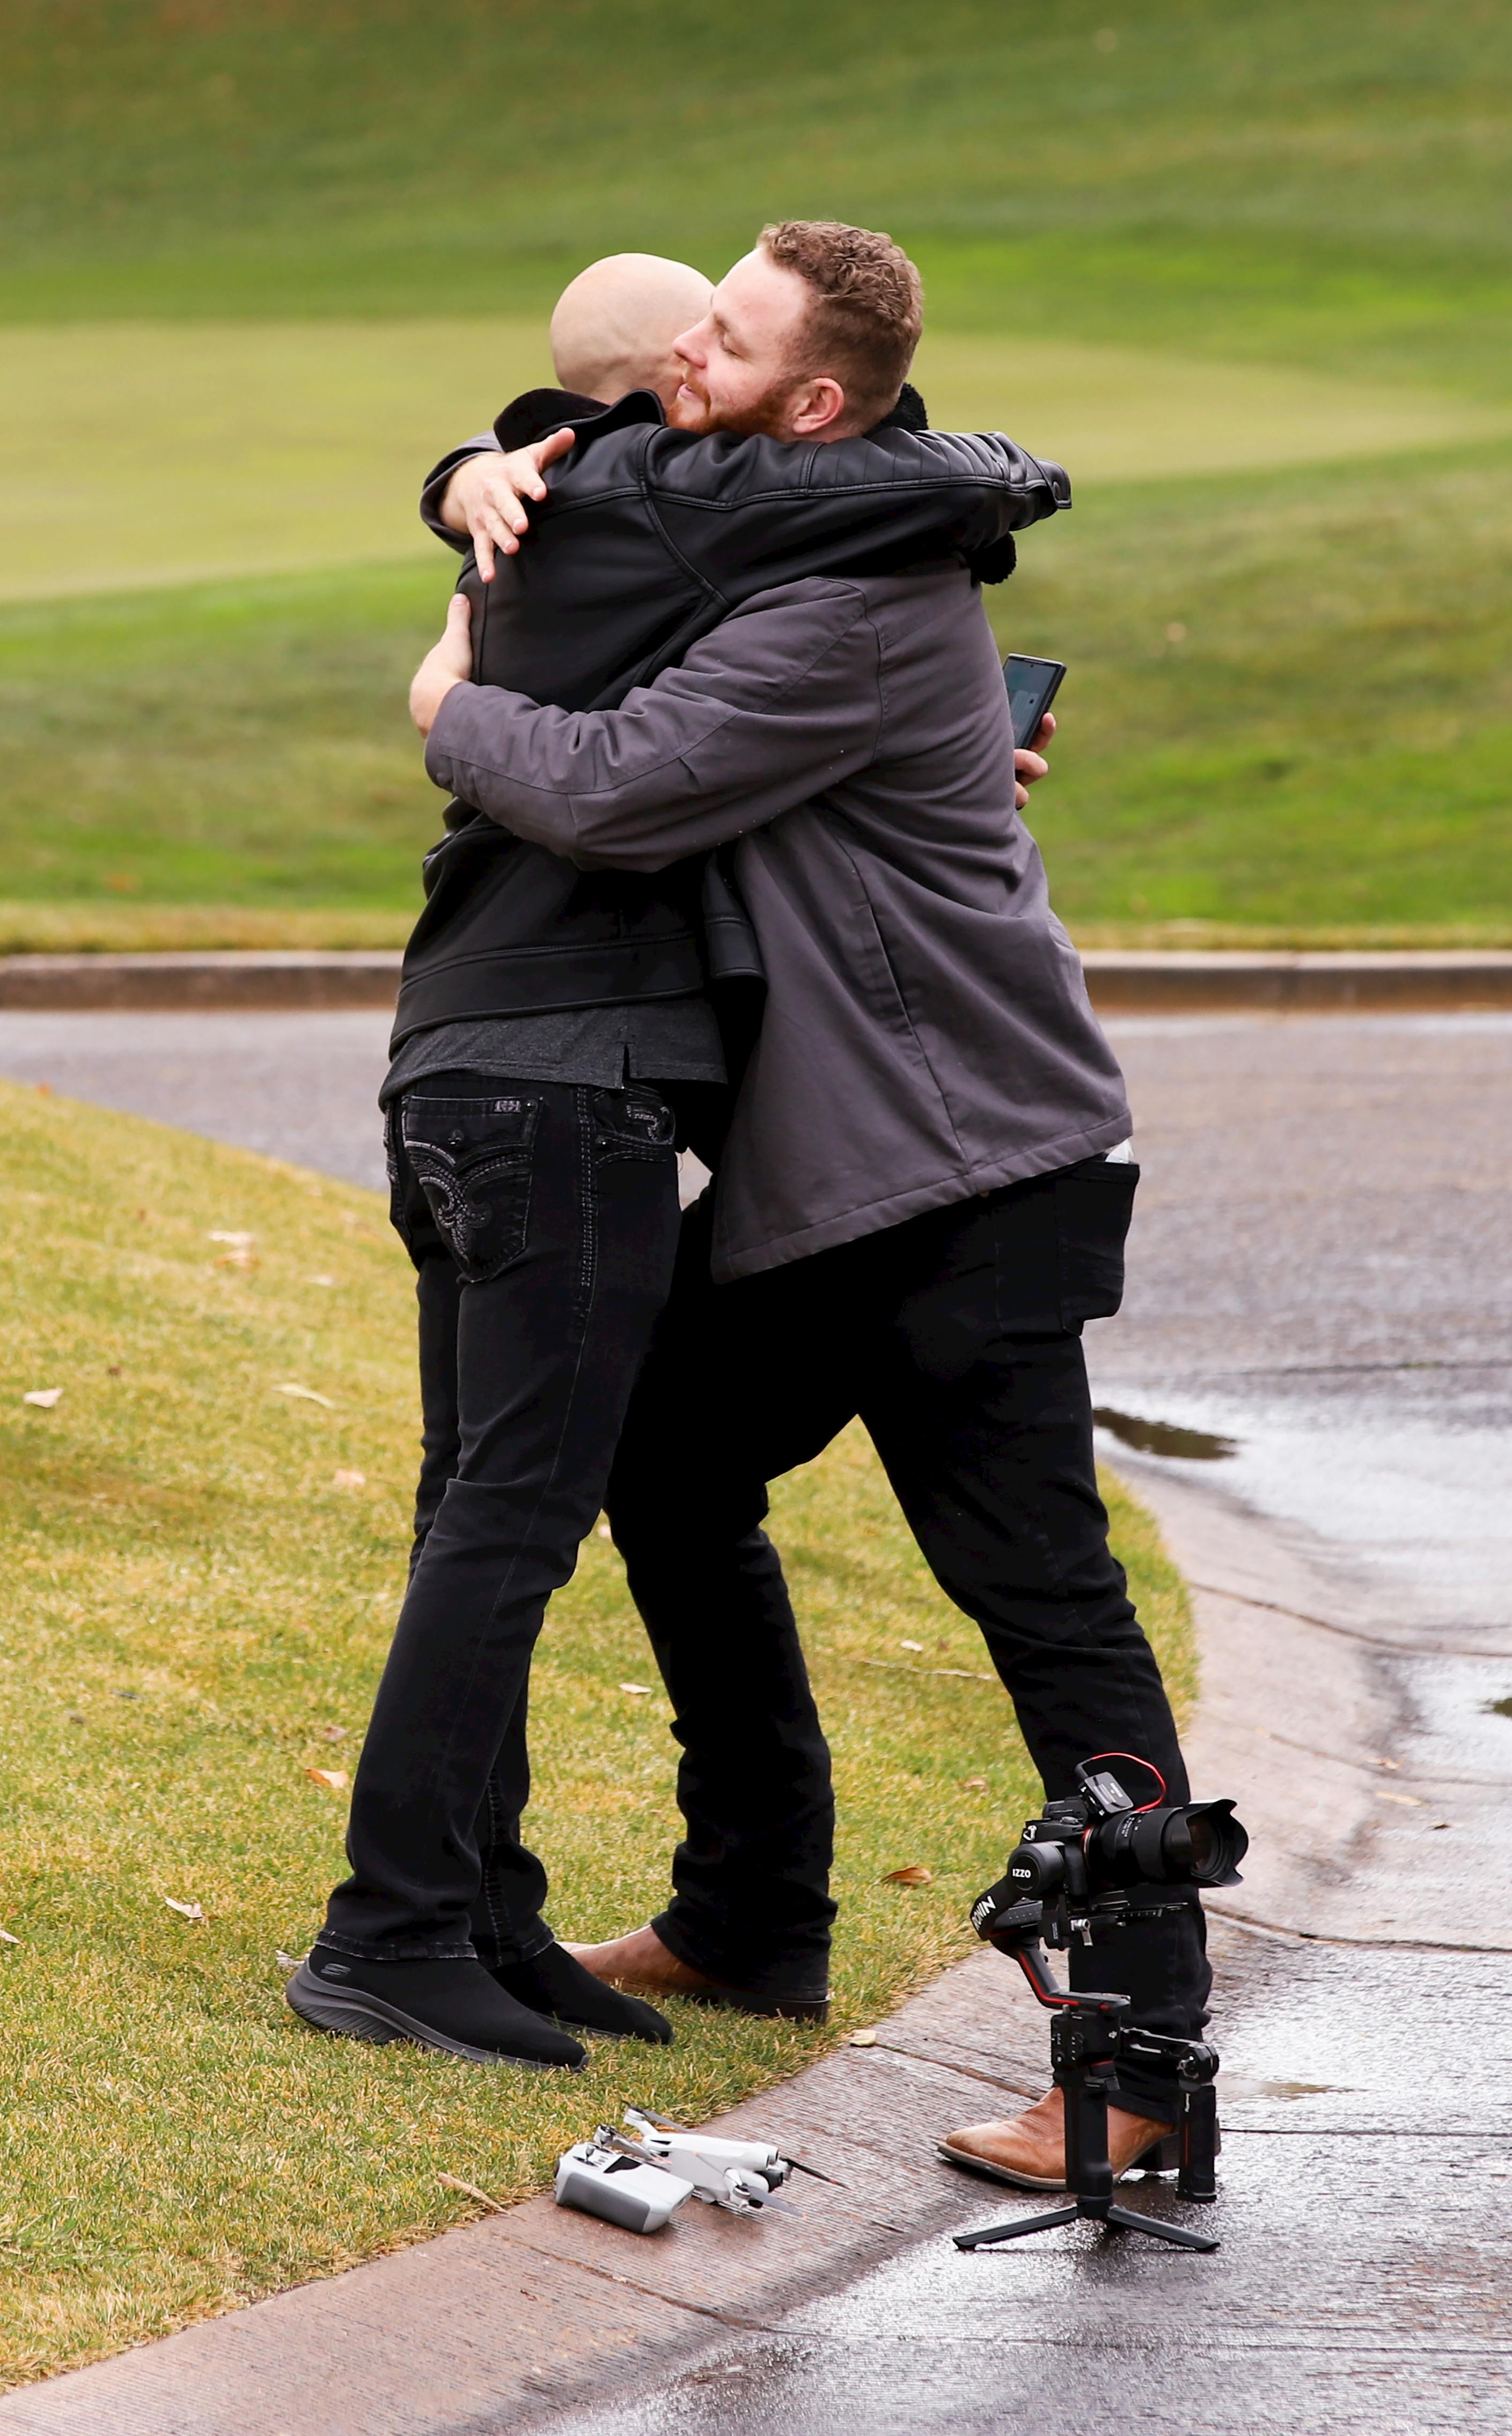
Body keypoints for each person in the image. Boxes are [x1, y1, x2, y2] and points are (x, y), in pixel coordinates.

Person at [408, 221, 1215, 2193]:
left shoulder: (844, 597)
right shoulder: (800, 543)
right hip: (843, 1191)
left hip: (971, 1181)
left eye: (731, 337)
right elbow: (617, 475)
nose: (690, 354)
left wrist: (443, 705)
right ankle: (754, 1910)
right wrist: (477, 464)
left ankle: (1143, 2068)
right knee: (667, 1455)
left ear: (822, 405)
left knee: (1049, 1611)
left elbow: (608, 783)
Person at [289, 233, 1074, 2071]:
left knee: (477, 1499)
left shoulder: (566, 506)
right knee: (510, 1515)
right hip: (569, 1077)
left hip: (481, 1057)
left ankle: (480, 1913)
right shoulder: (661, 492)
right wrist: (1002, 494)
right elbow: (938, 482)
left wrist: (936, 733)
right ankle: (391, 1933)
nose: (719, 373)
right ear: (654, 407)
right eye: (700, 348)